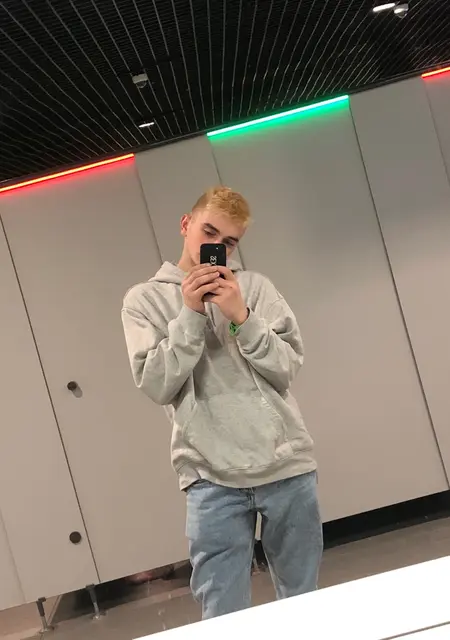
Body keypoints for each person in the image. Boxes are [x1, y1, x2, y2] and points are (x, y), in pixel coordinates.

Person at [121, 186, 322, 619]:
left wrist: (242, 317)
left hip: (286, 466)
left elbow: (286, 367)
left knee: (304, 607)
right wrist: (190, 314)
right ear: (185, 224)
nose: (217, 246)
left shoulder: (255, 288)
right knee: (223, 617)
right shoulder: (144, 301)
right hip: (209, 477)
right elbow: (157, 384)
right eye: (209, 232)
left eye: (229, 241)